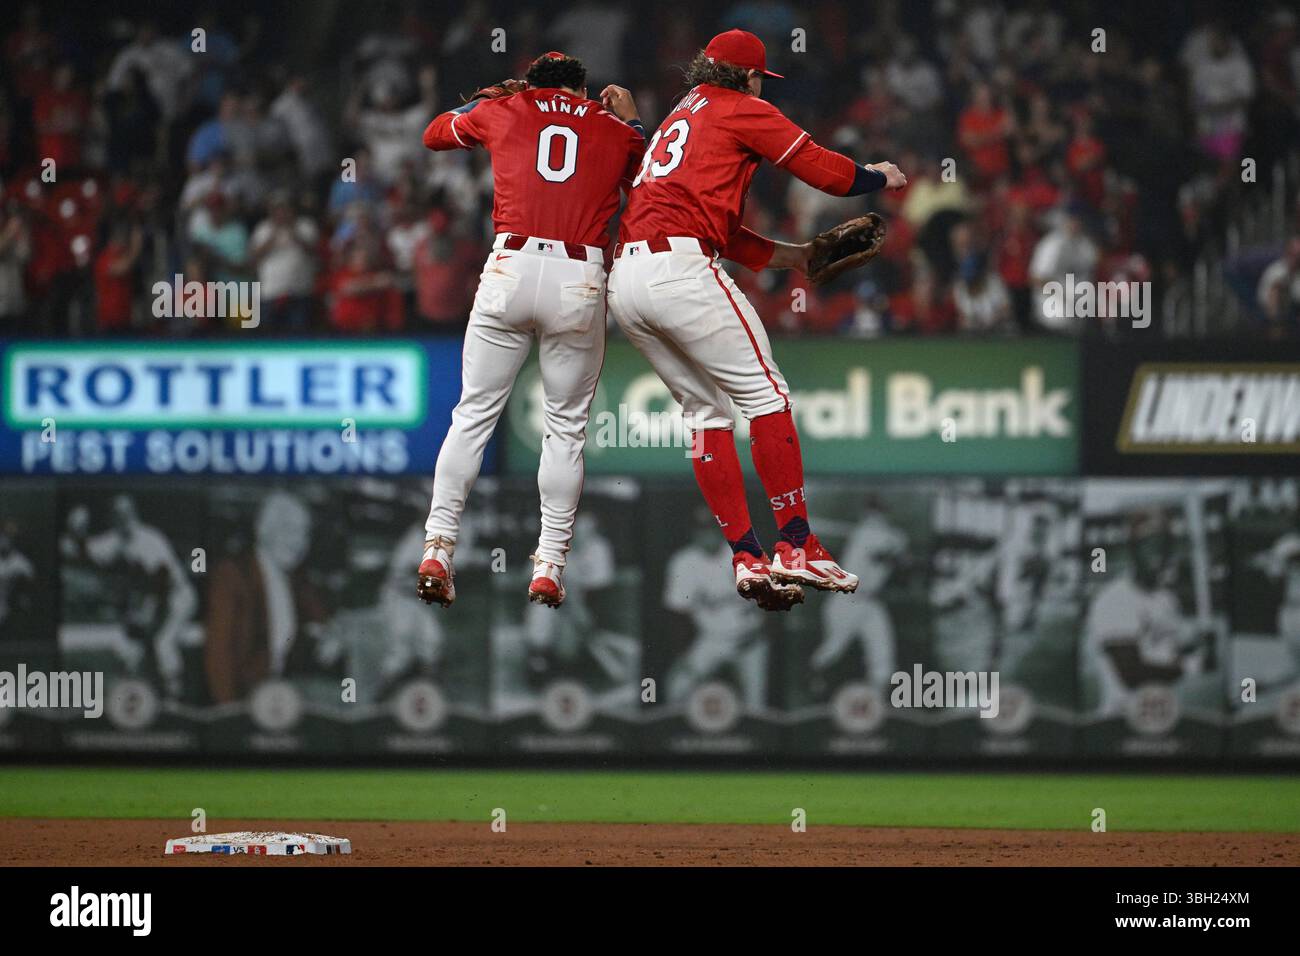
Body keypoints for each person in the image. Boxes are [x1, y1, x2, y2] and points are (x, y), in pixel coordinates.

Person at [607, 29, 906, 609]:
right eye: (757, 79)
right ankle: (796, 542)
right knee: (768, 398)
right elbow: (824, 172)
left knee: (705, 412)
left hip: (629, 282)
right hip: (682, 272)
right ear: (747, 77)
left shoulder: (681, 115)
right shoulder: (744, 107)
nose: (758, 87)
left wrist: (794, 258)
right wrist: (876, 176)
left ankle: (747, 556)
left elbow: (721, 229)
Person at [416, 52, 645, 609]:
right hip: (578, 277)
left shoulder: (506, 108)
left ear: (532, 82)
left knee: (472, 416)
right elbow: (650, 167)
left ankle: (438, 547)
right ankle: (548, 563)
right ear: (583, 88)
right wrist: (631, 118)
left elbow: (433, 134)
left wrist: (489, 101)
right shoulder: (611, 128)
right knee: (564, 429)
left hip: (510, 267)